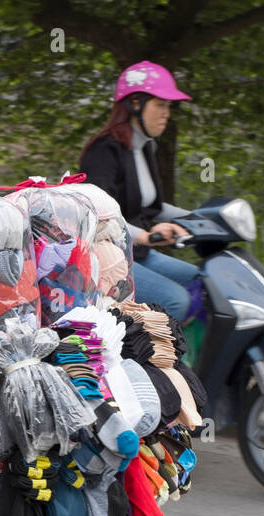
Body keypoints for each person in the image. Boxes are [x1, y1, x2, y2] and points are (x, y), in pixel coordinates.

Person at [79, 61, 199, 322]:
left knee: (202, 282)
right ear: (135, 103)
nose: (166, 113)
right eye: (160, 105)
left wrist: (200, 218)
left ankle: (195, 358)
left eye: (168, 106)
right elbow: (98, 214)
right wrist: (144, 236)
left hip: (139, 253)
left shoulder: (144, 147)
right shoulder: (104, 150)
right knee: (175, 300)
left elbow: (153, 206)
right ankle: (156, 361)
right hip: (110, 256)